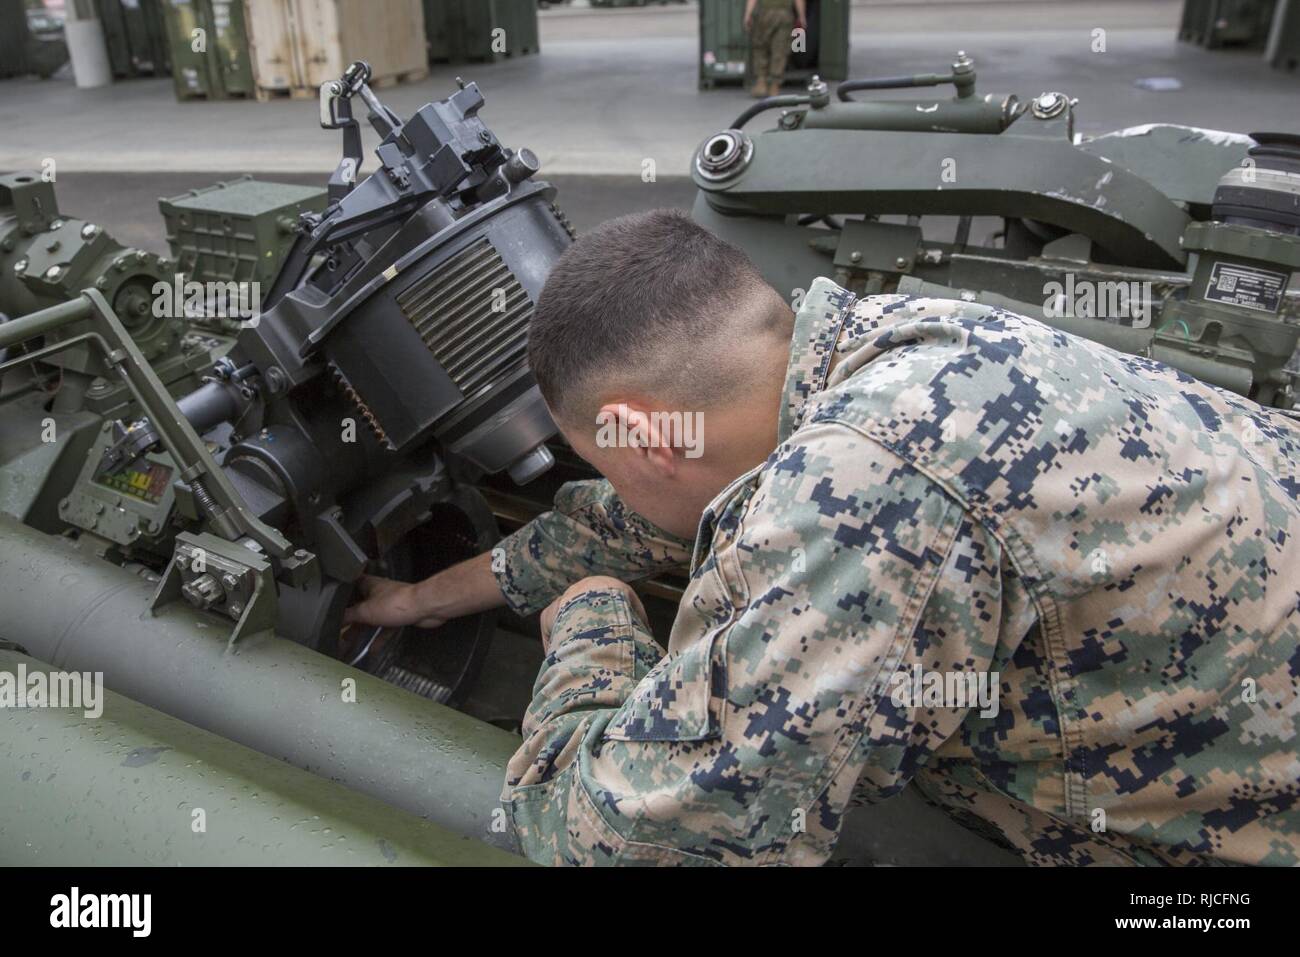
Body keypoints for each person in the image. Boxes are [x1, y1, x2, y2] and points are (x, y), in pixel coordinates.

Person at [346, 209, 1300, 867]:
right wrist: (424, 598)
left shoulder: (863, 492)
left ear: (644, 436)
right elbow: (633, 521)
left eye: (600, 455)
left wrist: (593, 634)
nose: (606, 481)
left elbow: (638, 842)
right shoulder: (881, 342)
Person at [744, 0, 806, 98]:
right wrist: (802, 16)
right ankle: (774, 85)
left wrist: (748, 14)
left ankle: (761, 82)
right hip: (784, 14)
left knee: (761, 47)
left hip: (765, 14)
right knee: (780, 49)